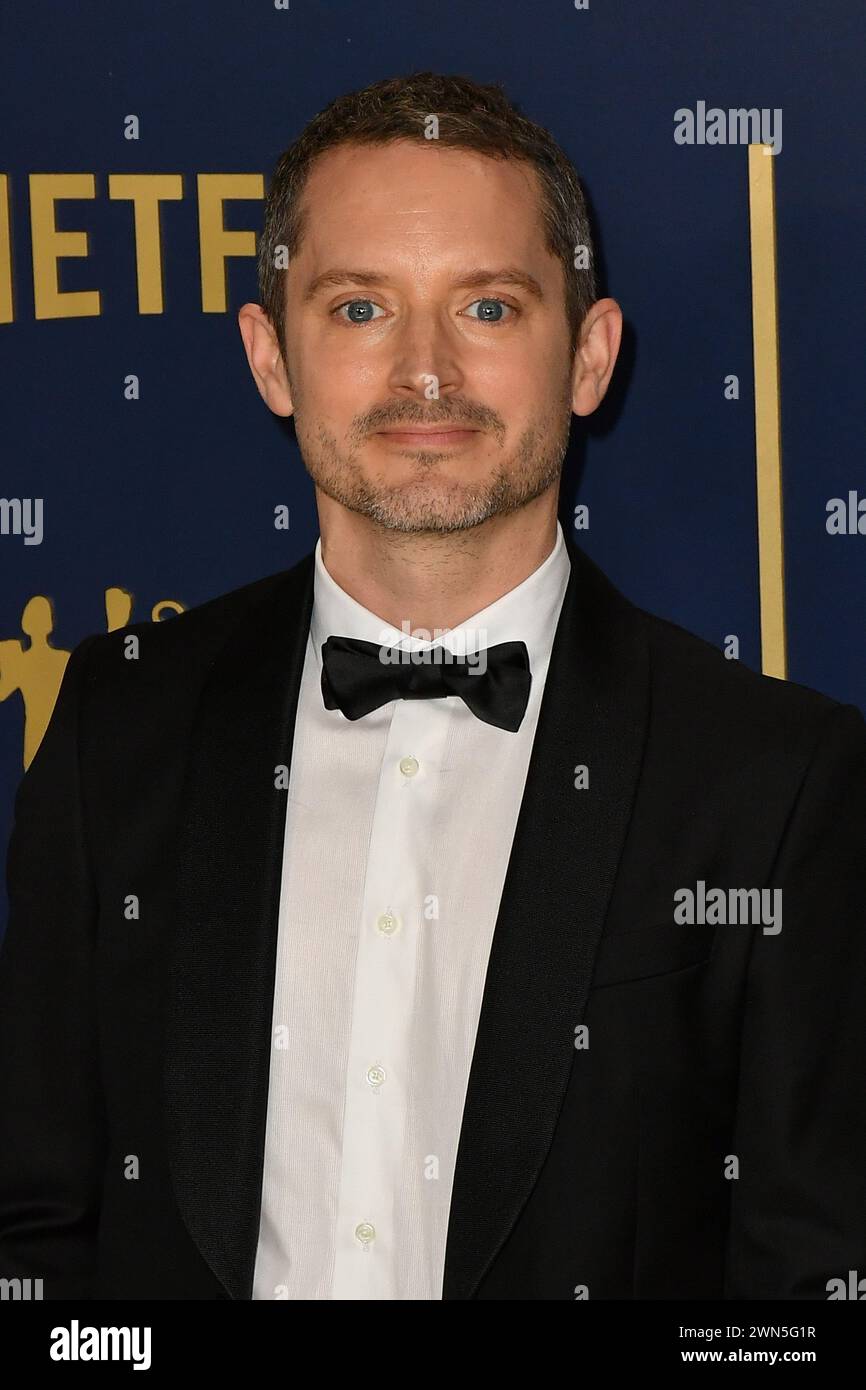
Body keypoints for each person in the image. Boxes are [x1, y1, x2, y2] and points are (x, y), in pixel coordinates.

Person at [1, 71, 865, 1302]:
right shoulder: (116, 726)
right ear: (269, 357)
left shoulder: (774, 782)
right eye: (358, 307)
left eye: (488, 308)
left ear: (588, 354)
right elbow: (34, 1230)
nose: (422, 372)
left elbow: (806, 1290)